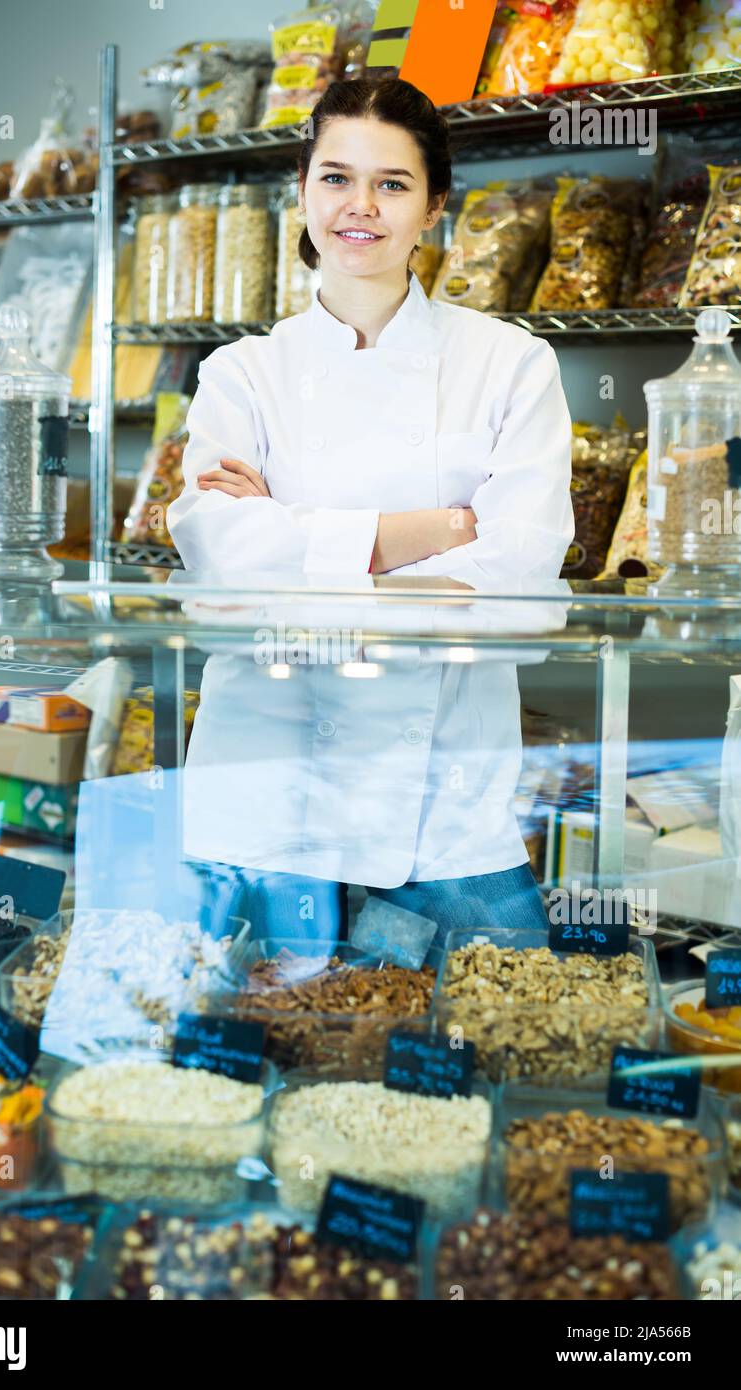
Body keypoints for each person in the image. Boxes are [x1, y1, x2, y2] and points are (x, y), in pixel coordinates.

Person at [167, 77, 574, 944]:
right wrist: (430, 533)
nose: (362, 207)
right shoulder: (241, 373)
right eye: (336, 178)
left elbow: (524, 582)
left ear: (434, 208)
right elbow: (218, 562)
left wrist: (299, 553)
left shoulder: (511, 364)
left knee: (486, 1055)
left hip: (445, 806)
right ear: (303, 192)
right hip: (270, 789)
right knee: (254, 1054)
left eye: (393, 183)